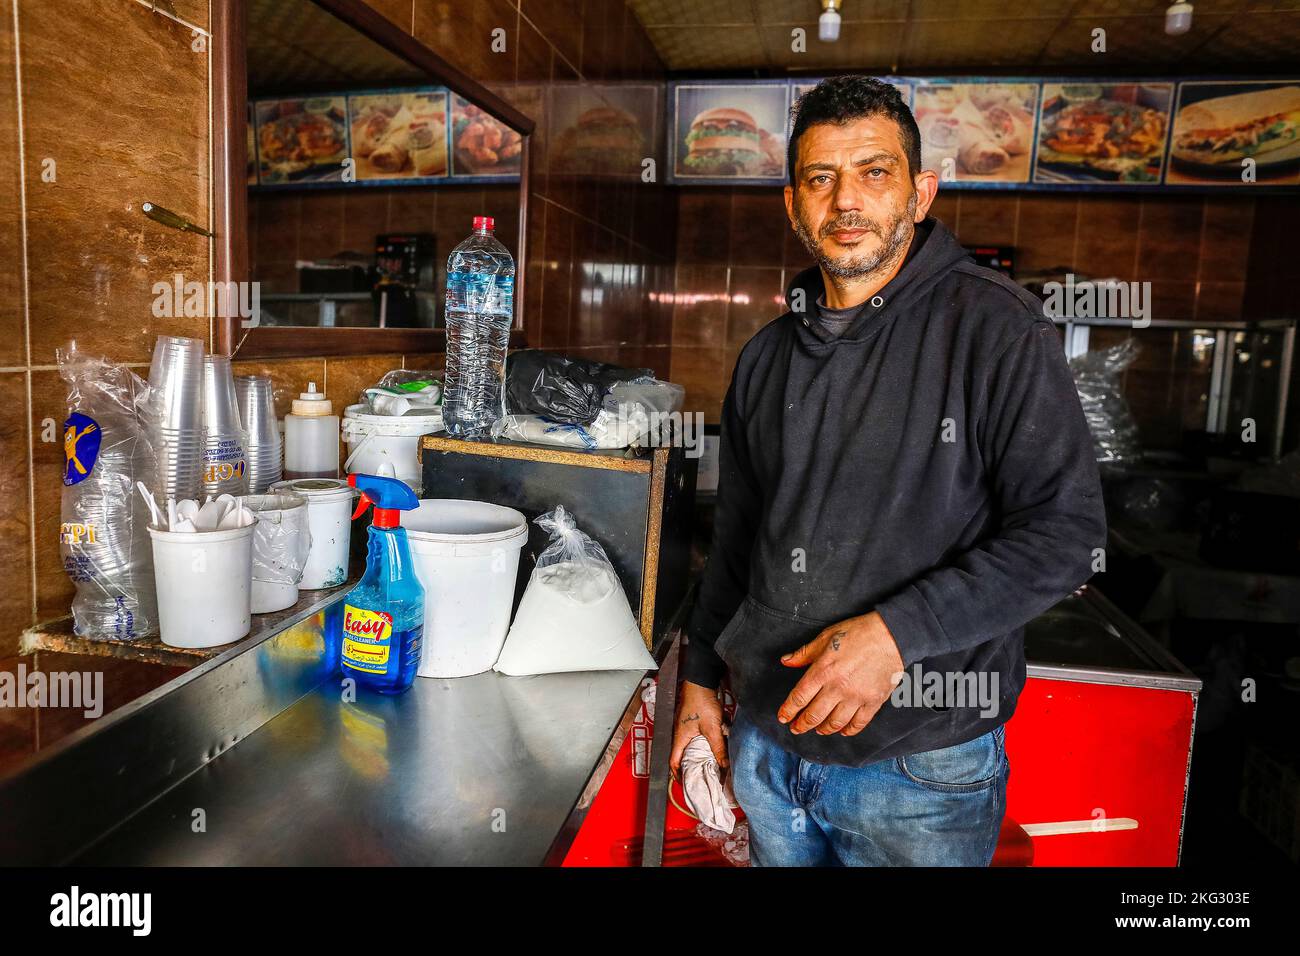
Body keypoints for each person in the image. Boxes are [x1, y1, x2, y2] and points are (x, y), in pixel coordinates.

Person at [669, 76, 1106, 867]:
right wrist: (699, 679)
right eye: (821, 178)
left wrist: (898, 637)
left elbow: (1066, 534)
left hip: (918, 767)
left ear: (921, 189)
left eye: (874, 172)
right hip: (767, 748)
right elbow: (736, 537)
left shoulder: (997, 329)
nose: (846, 202)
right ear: (793, 202)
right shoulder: (768, 356)